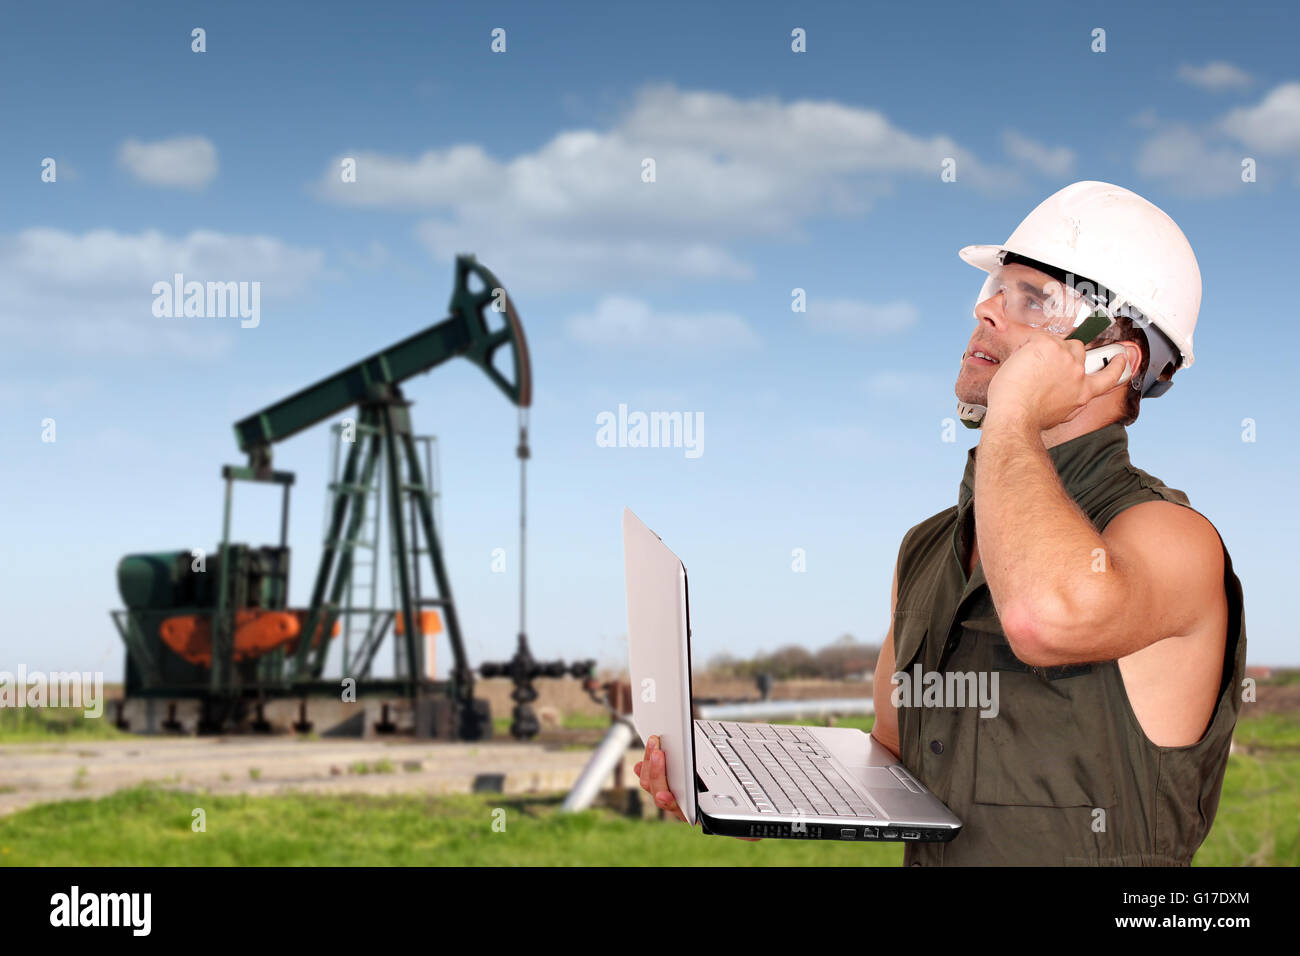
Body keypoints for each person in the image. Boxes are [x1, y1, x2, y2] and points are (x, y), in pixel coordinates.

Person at [636, 181, 1247, 865]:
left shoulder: (1170, 538)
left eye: (1033, 299)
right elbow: (894, 756)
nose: (986, 309)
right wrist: (749, 793)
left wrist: (1014, 409)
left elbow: (1043, 617)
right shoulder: (928, 549)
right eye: (996, 290)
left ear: (1111, 363)